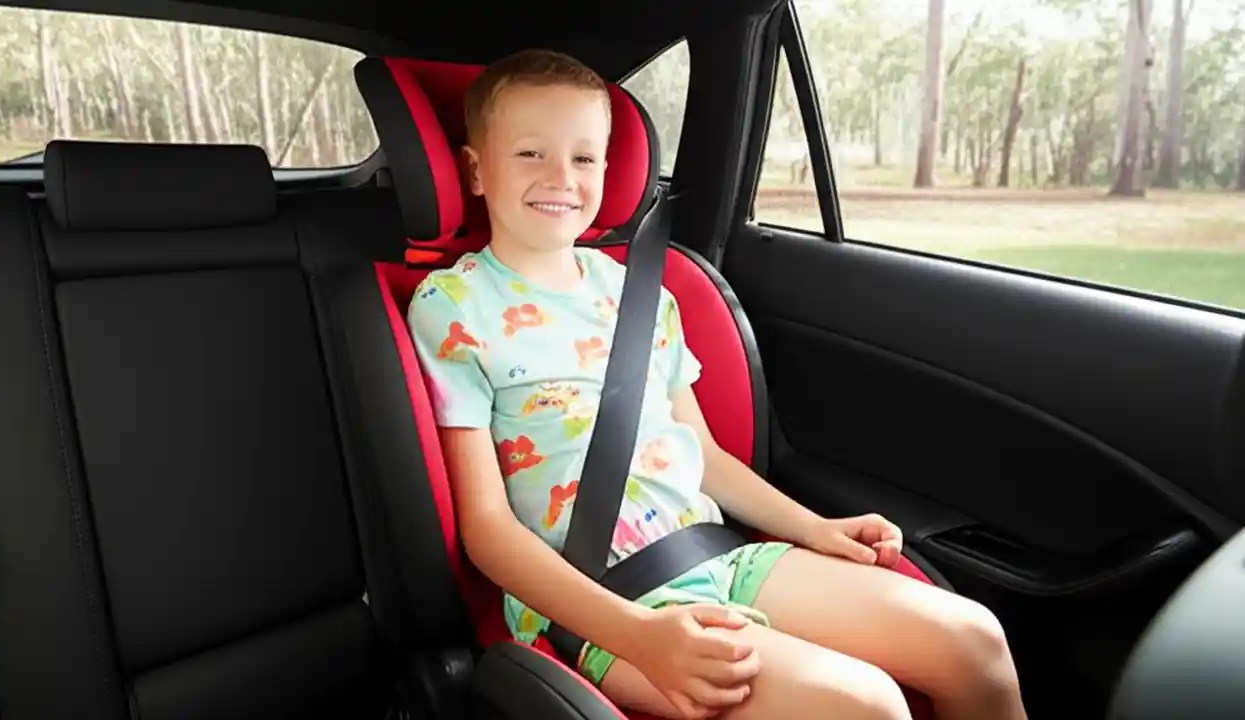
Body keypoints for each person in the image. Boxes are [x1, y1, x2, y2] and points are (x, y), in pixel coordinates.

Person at [407, 48, 1028, 720]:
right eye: (531, 154)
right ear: (475, 169)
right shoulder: (453, 307)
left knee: (975, 640)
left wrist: (814, 528)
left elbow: (701, 457)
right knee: (866, 706)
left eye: (584, 158)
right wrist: (639, 639)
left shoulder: (646, 295)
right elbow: (487, 530)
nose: (561, 176)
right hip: (607, 600)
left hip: (718, 553)